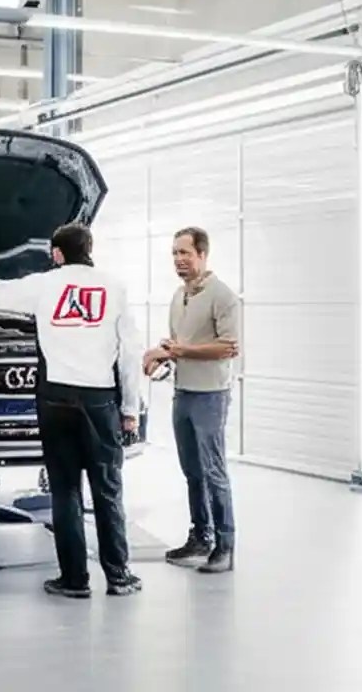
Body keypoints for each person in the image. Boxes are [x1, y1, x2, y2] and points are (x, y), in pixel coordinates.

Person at [0, 223, 144, 598]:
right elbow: (129, 354)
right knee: (107, 488)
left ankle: (74, 580)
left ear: (57, 253)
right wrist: (129, 409)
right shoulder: (115, 287)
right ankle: (119, 576)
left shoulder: (44, 284)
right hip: (99, 400)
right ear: (89, 249)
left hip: (55, 398)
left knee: (65, 490)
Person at [143, 226, 240, 574]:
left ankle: (225, 547)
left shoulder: (222, 296)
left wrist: (181, 351)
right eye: (174, 253)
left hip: (210, 395)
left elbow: (228, 347)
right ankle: (201, 537)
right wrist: (162, 355)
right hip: (183, 393)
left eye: (185, 252)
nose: (178, 259)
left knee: (214, 471)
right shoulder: (178, 296)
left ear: (202, 254)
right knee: (193, 472)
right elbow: (178, 343)